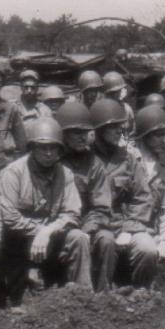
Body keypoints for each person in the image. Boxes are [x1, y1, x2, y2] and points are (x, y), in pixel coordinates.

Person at [0, 117, 92, 305]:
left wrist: (47, 231)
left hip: (51, 238)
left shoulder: (65, 174)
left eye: (53, 148)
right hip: (19, 240)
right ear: (32, 148)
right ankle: (13, 300)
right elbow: (9, 217)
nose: (48, 153)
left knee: (79, 238)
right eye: (43, 147)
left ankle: (84, 299)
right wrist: (38, 231)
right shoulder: (13, 172)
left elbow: (72, 212)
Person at [88, 97, 159, 288]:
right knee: (106, 243)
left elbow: (142, 197)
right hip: (96, 225)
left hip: (125, 223)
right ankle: (102, 299)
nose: (119, 130)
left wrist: (129, 229)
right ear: (99, 129)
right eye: (113, 126)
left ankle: (140, 298)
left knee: (148, 249)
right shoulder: (85, 159)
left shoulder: (127, 159)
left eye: (121, 125)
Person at [56, 102, 115, 290]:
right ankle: (81, 296)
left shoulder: (94, 164)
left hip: (87, 223)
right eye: (76, 133)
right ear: (64, 135)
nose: (83, 138)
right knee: (77, 239)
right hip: (58, 224)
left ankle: (103, 297)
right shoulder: (52, 160)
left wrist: (89, 228)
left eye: (85, 132)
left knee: (107, 239)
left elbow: (102, 207)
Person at [134, 105, 165, 261]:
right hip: (127, 230)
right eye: (157, 135)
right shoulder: (127, 161)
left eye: (164, 134)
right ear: (145, 136)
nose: (164, 140)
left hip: (154, 231)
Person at [102, 71, 135, 136]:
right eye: (112, 93)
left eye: (118, 91)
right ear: (106, 94)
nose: (115, 95)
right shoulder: (101, 110)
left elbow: (132, 130)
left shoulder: (126, 109)